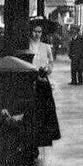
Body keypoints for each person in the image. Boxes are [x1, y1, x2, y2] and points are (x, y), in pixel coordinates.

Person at [29, 17, 61, 147]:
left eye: (39, 32)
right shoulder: (27, 44)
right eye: (35, 31)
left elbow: (51, 64)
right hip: (30, 80)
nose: (37, 34)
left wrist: (47, 69)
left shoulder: (46, 47)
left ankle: (42, 139)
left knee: (43, 111)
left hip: (42, 82)